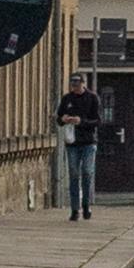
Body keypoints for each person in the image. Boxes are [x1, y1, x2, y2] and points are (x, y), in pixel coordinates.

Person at [55, 69, 100, 220]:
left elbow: (98, 121)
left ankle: (86, 205)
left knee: (87, 172)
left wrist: (82, 121)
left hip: (88, 141)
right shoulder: (67, 98)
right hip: (72, 142)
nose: (74, 86)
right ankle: (75, 209)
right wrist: (64, 119)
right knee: (74, 175)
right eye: (72, 83)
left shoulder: (92, 98)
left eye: (77, 83)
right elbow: (59, 118)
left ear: (83, 84)